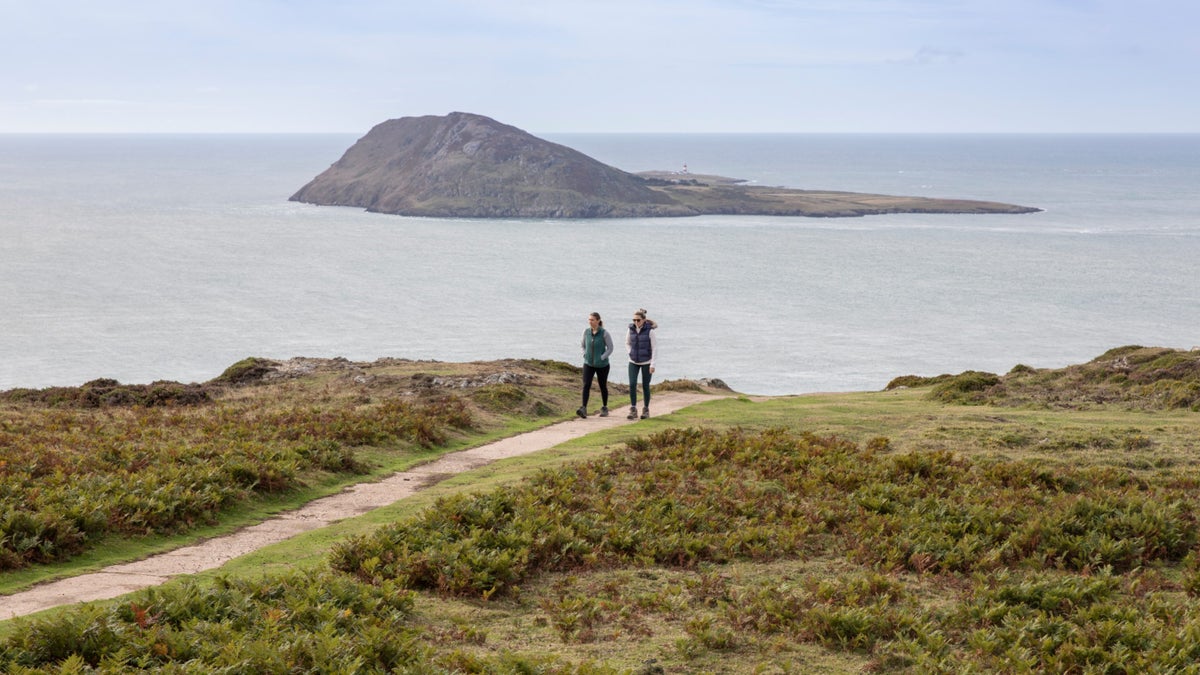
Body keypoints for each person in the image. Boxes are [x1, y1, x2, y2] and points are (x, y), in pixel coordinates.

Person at [577, 311, 614, 418]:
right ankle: (583, 408)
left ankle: (604, 407)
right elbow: (582, 345)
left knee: (602, 386)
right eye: (589, 320)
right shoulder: (586, 332)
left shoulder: (604, 333)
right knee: (586, 385)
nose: (590, 322)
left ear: (598, 321)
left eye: (592, 320)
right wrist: (584, 354)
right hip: (588, 363)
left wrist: (602, 357)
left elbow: (610, 348)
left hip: (602, 365)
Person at [625, 308, 657, 419]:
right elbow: (627, 343)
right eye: (634, 320)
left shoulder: (650, 331)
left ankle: (646, 409)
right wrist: (630, 353)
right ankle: (633, 409)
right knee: (632, 384)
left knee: (645, 386)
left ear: (644, 320)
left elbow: (655, 348)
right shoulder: (630, 329)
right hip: (633, 361)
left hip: (646, 362)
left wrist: (652, 365)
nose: (636, 322)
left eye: (638, 320)